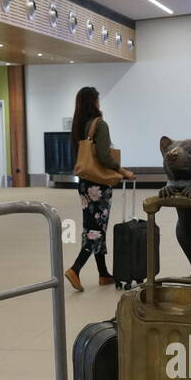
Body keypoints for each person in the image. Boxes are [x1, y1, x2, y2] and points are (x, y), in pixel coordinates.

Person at [67, 86, 134, 292]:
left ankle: (103, 273)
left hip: (86, 183)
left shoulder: (79, 125)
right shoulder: (100, 125)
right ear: (94, 102)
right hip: (99, 184)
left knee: (92, 226)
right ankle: (75, 269)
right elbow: (105, 156)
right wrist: (122, 170)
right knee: (96, 229)